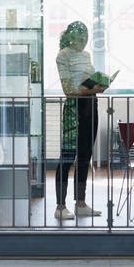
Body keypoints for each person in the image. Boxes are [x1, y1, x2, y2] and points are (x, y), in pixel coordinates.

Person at [53, 20, 114, 222]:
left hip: (90, 106)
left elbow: (87, 80)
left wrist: (99, 84)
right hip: (74, 109)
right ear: (69, 37)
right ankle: (60, 206)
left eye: (86, 38)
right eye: (79, 37)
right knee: (68, 155)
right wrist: (94, 89)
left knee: (85, 155)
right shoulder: (63, 55)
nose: (83, 41)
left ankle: (80, 203)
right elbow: (68, 90)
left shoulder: (86, 56)